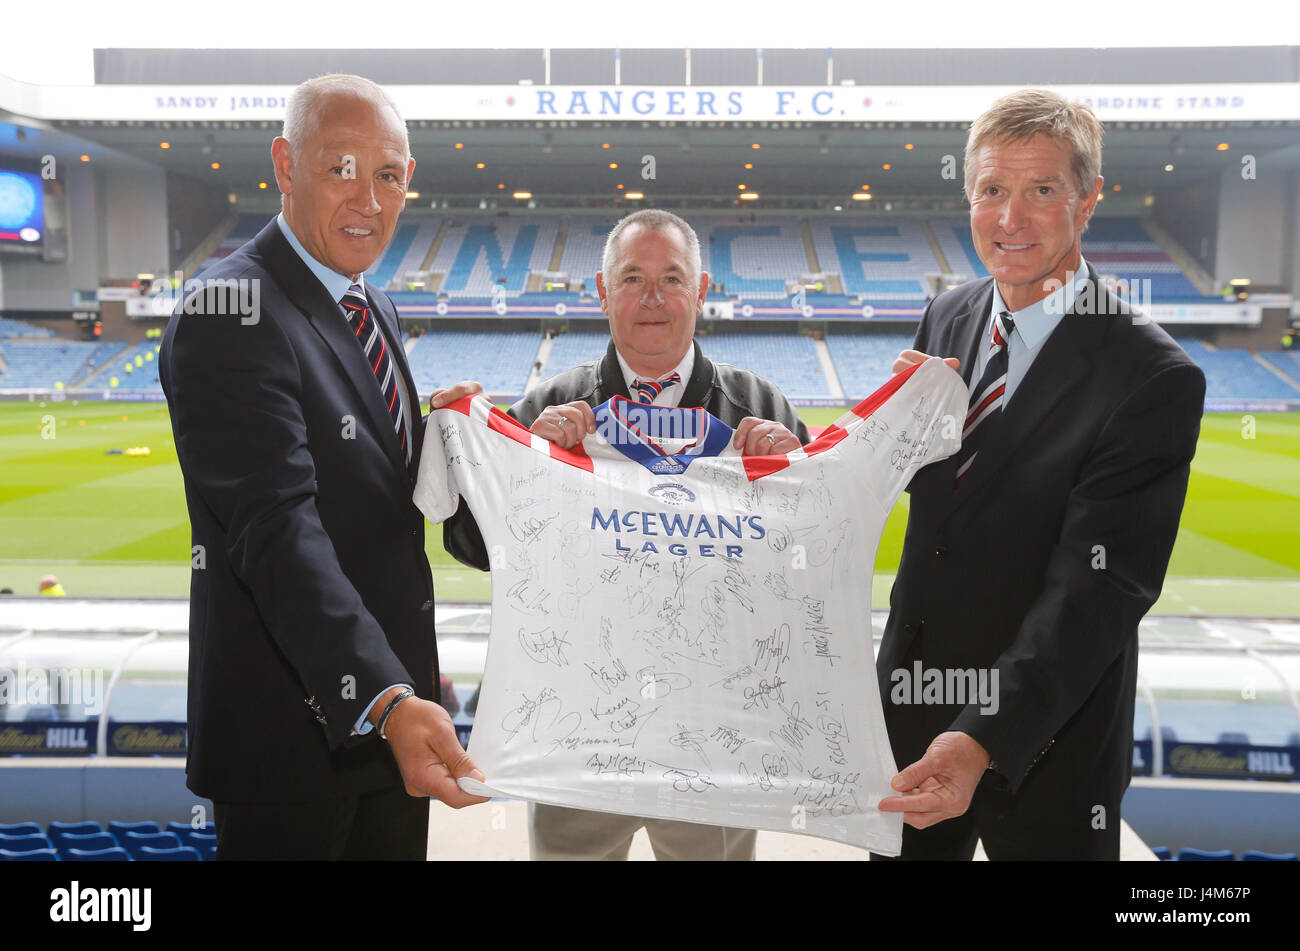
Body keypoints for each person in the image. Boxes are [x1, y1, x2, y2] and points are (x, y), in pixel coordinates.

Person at [160, 74, 486, 861]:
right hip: (293, 751)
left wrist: (462, 437)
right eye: (340, 167)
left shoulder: (372, 304)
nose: (368, 199)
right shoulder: (229, 308)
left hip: (391, 733)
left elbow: (375, 492)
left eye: (389, 174)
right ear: (284, 163)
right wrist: (382, 697)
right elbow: (277, 528)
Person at [874, 89, 1206, 860]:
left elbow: (1097, 592)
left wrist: (982, 736)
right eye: (991, 190)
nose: (1009, 219)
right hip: (915, 701)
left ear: (1089, 200)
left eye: (1041, 191)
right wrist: (878, 434)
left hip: (1050, 734)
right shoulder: (949, 315)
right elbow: (935, 510)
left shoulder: (1151, 374)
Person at [443, 208, 808, 860]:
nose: (652, 297)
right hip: (581, 740)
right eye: (632, 277)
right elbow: (472, 545)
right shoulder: (549, 401)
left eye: (672, 278)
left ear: (701, 292)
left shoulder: (763, 407)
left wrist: (794, 482)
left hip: (712, 741)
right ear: (602, 290)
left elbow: (809, 571)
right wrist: (525, 464)